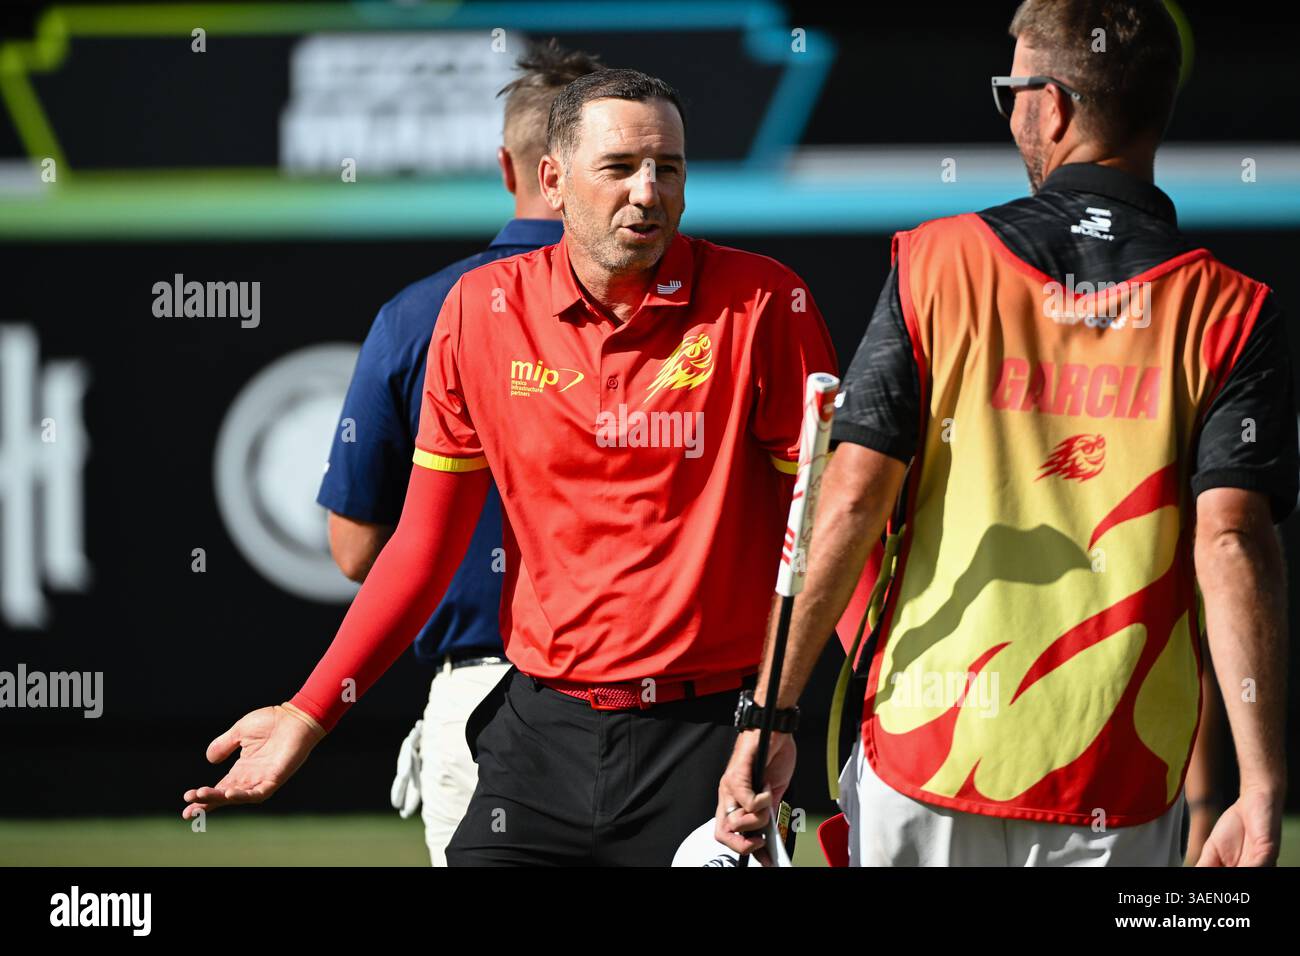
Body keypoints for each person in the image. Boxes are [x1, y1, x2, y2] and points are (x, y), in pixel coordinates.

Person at [182, 68, 837, 866]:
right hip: (537, 738)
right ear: (552, 181)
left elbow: (828, 533)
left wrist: (797, 715)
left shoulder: (765, 302)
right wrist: (309, 713)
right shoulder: (478, 311)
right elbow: (422, 548)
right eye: (621, 166)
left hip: (710, 743)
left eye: (668, 168)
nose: (649, 191)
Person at [716, 0, 1295, 867]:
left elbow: (850, 499)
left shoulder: (937, 263)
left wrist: (770, 715)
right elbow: (1234, 542)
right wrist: (1259, 785)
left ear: (1050, 106)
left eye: (1011, 89)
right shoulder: (1234, 310)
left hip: (926, 752)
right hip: (1120, 775)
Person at [317, 39, 605, 867]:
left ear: (507, 166)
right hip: (657, 697)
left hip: (478, 687)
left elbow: (353, 548)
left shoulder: (416, 315)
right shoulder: (691, 314)